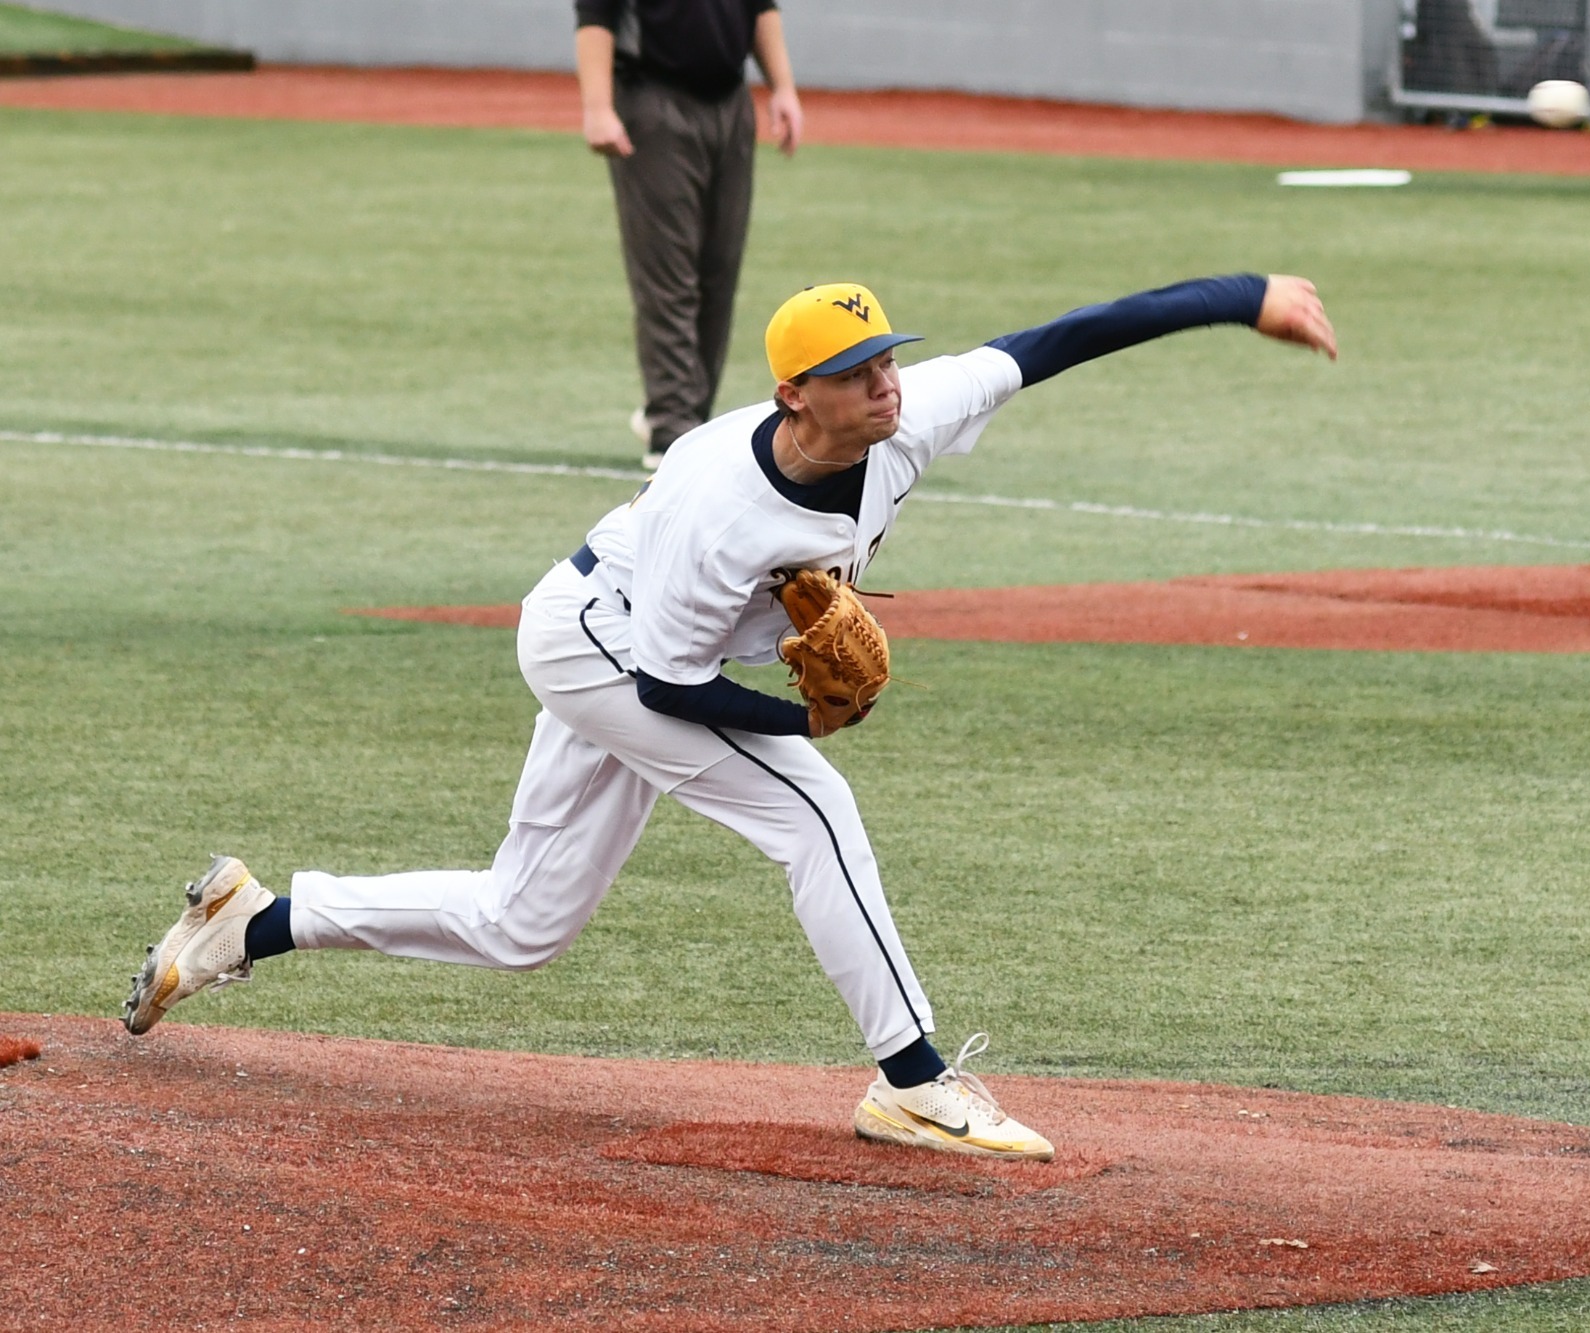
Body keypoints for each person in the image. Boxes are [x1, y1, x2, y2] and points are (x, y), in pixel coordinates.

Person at [121, 274, 1340, 1161]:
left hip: (625, 627)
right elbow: (665, 687)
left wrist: (1245, 295)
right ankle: (912, 1081)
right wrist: (801, 725)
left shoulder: (906, 416)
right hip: (600, 644)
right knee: (812, 808)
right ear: (792, 396)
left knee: (523, 921)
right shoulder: (719, 506)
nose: (888, 381)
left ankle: (255, 923)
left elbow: (1060, 336)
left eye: (888, 359)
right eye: (859, 373)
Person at [575, 0, 804, 470]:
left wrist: (782, 86)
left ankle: (690, 415)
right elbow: (596, 13)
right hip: (653, 99)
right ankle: (672, 425)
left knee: (719, 272)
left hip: (730, 101)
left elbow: (760, 6)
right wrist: (598, 106)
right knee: (668, 272)